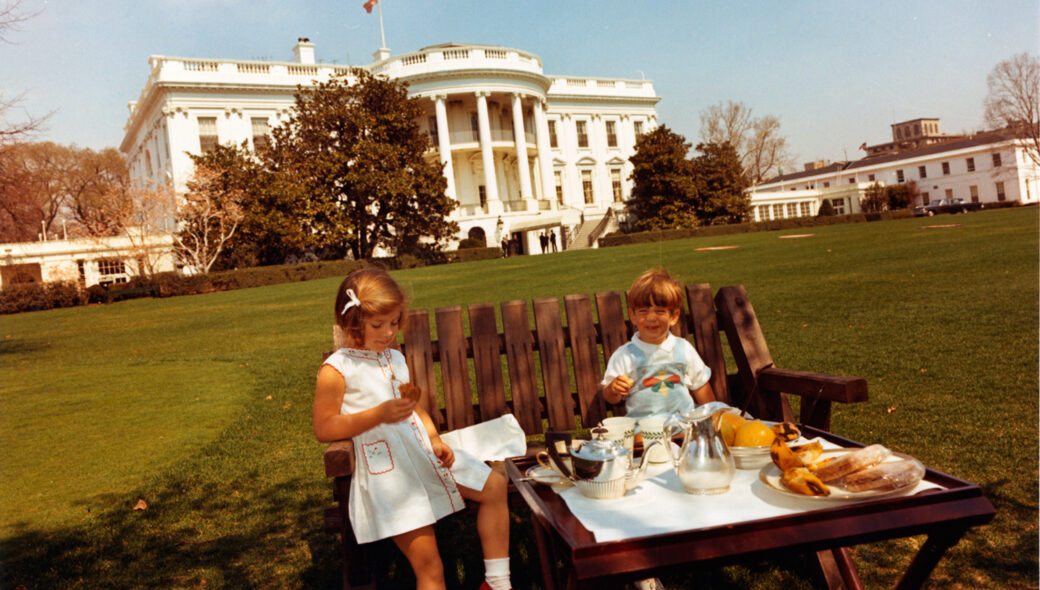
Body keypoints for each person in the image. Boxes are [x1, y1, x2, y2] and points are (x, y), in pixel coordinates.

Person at [313, 268, 515, 590]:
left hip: (423, 455)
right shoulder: (338, 369)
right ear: (352, 322)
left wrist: (434, 438)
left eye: (394, 322)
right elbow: (324, 427)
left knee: (493, 485)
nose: (389, 332)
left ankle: (498, 582)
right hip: (390, 478)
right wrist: (378, 414)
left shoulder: (394, 358)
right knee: (431, 568)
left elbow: (414, 407)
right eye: (378, 325)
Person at [600, 268, 716, 418]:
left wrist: (715, 417)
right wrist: (613, 389)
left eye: (660, 311)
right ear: (632, 316)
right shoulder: (625, 355)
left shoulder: (683, 349)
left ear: (673, 316)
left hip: (683, 423)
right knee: (638, 439)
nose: (651, 318)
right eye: (643, 311)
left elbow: (701, 388)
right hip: (644, 426)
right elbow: (611, 398)